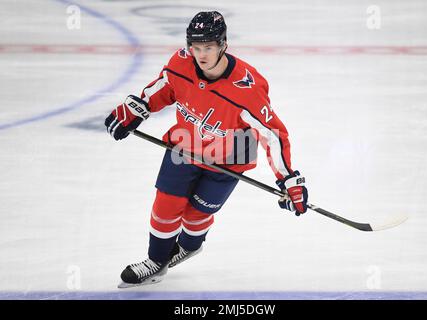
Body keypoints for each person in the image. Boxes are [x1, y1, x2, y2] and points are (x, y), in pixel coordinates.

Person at [105, 11, 308, 288]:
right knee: (165, 207)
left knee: (195, 215)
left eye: (208, 47)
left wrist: (288, 179)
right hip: (185, 147)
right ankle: (156, 261)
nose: (201, 54)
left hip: (229, 159)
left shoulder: (246, 88)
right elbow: (164, 87)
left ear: (223, 44)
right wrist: (138, 107)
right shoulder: (181, 63)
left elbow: (272, 134)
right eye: (196, 47)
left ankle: (189, 246)